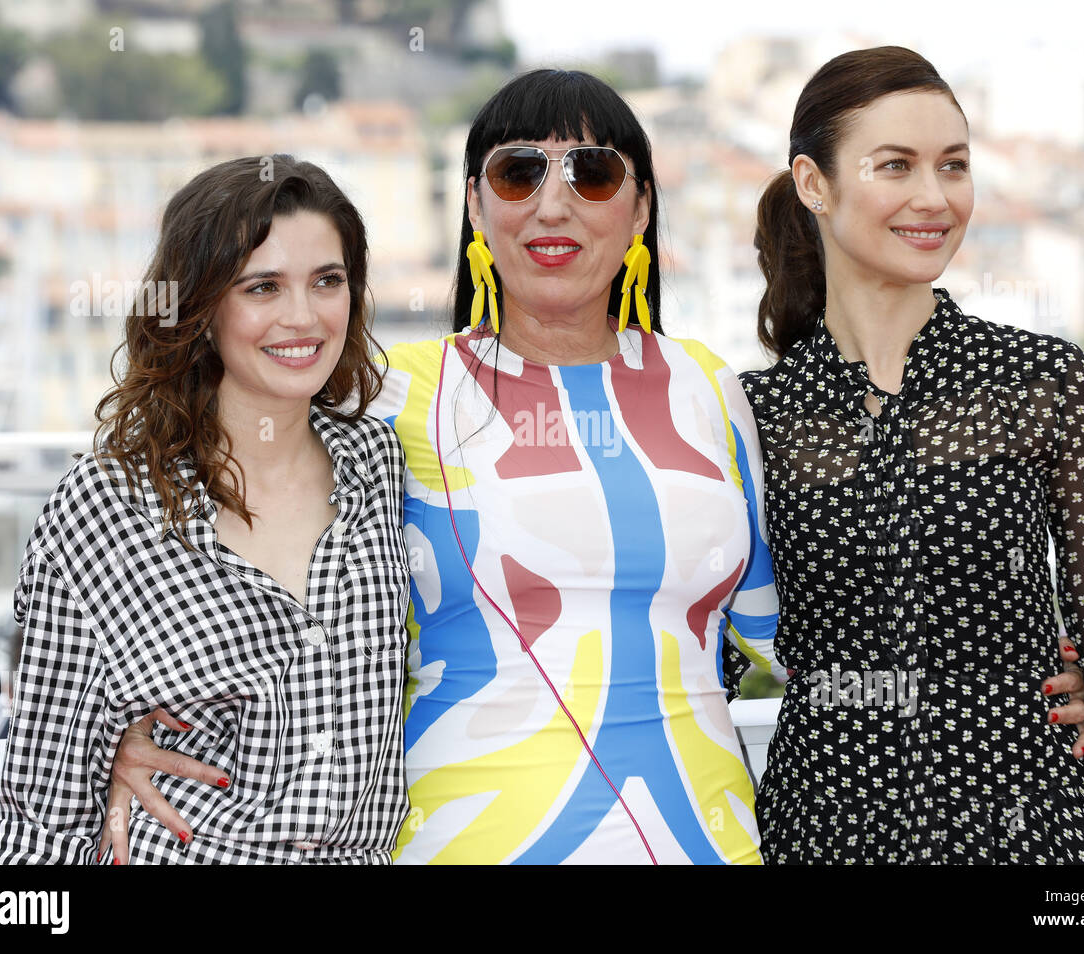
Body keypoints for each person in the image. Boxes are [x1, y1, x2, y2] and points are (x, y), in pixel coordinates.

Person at [108, 69, 784, 865]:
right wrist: (123, 729)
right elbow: (243, 595)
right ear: (474, 204)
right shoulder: (395, 403)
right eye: (517, 172)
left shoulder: (711, 391)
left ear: (639, 211)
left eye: (592, 172)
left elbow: (789, 638)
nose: (553, 204)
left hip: (706, 843)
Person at [740, 46, 1084, 863]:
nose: (934, 199)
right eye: (895, 166)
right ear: (813, 184)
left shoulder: (1040, 382)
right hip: (824, 835)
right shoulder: (756, 413)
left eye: (955, 167)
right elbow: (703, 649)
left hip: (1028, 831)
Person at [0, 155, 410, 864]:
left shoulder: (390, 473)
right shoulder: (104, 509)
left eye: (326, 281)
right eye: (262, 286)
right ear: (202, 307)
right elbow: (42, 816)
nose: (302, 316)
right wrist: (107, 749)